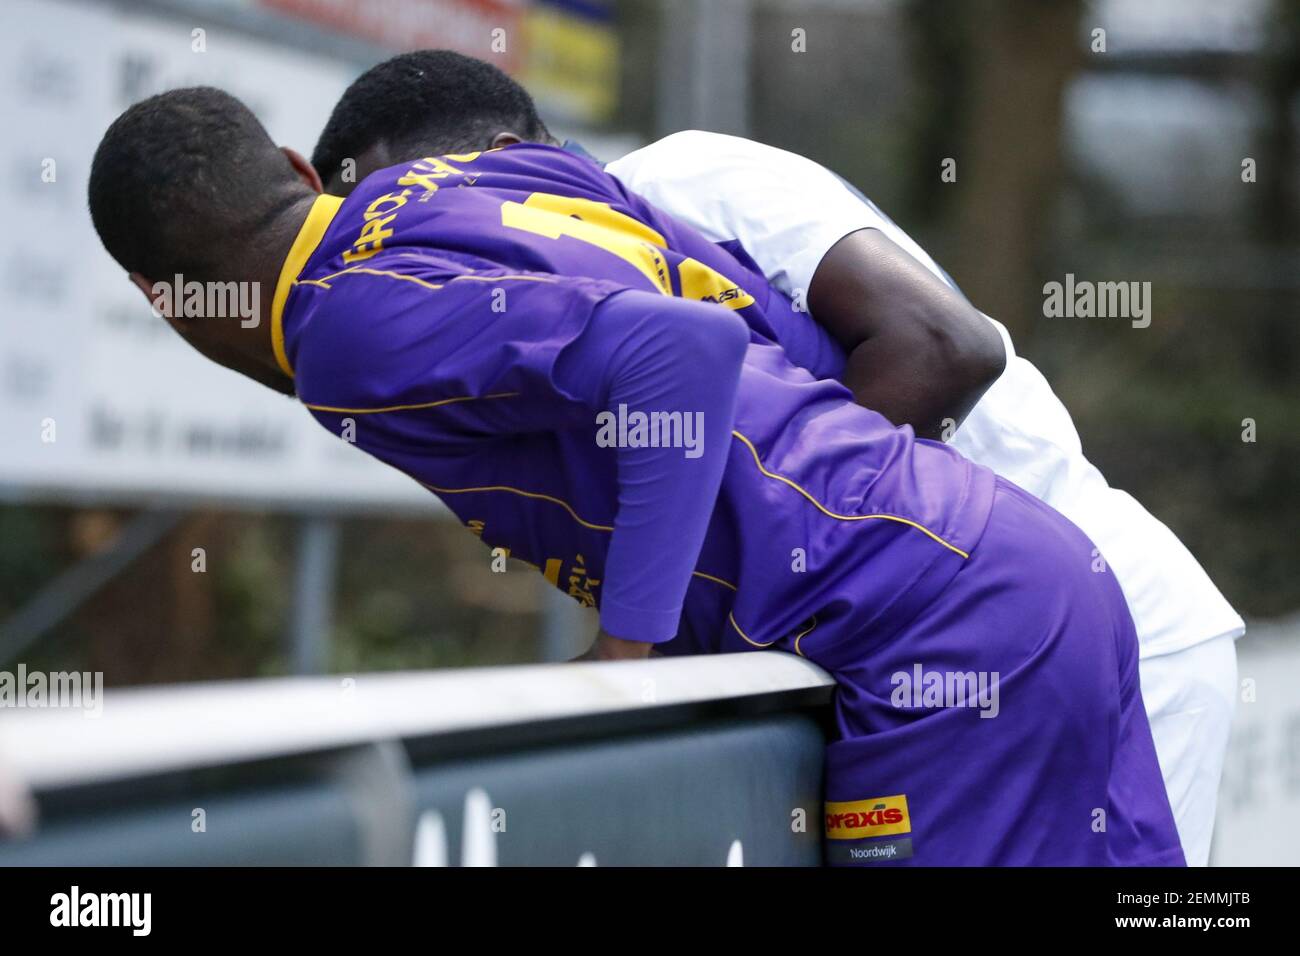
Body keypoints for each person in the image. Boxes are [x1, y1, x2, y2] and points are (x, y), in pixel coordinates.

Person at [88, 86, 1185, 866]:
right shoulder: (472, 176)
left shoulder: (341, 329)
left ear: (156, 292)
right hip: (1017, 567)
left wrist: (630, 649)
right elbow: (742, 316)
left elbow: (680, 352)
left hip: (934, 629)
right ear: (291, 170)